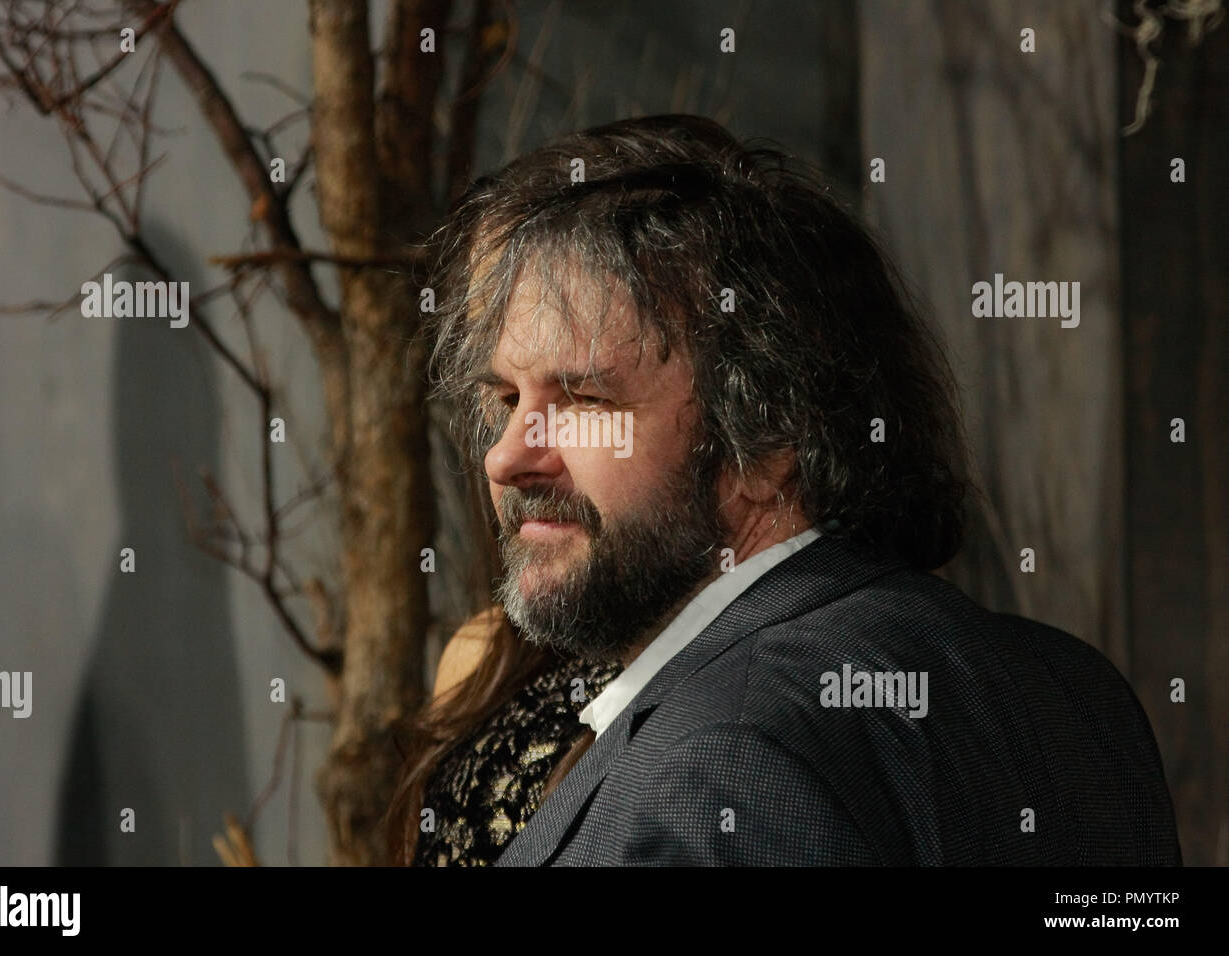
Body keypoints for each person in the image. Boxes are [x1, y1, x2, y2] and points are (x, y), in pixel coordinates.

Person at [390, 114, 1182, 866]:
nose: (506, 457)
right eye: (506, 401)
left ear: (766, 438)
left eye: (586, 401)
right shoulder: (1070, 688)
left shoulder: (717, 771)